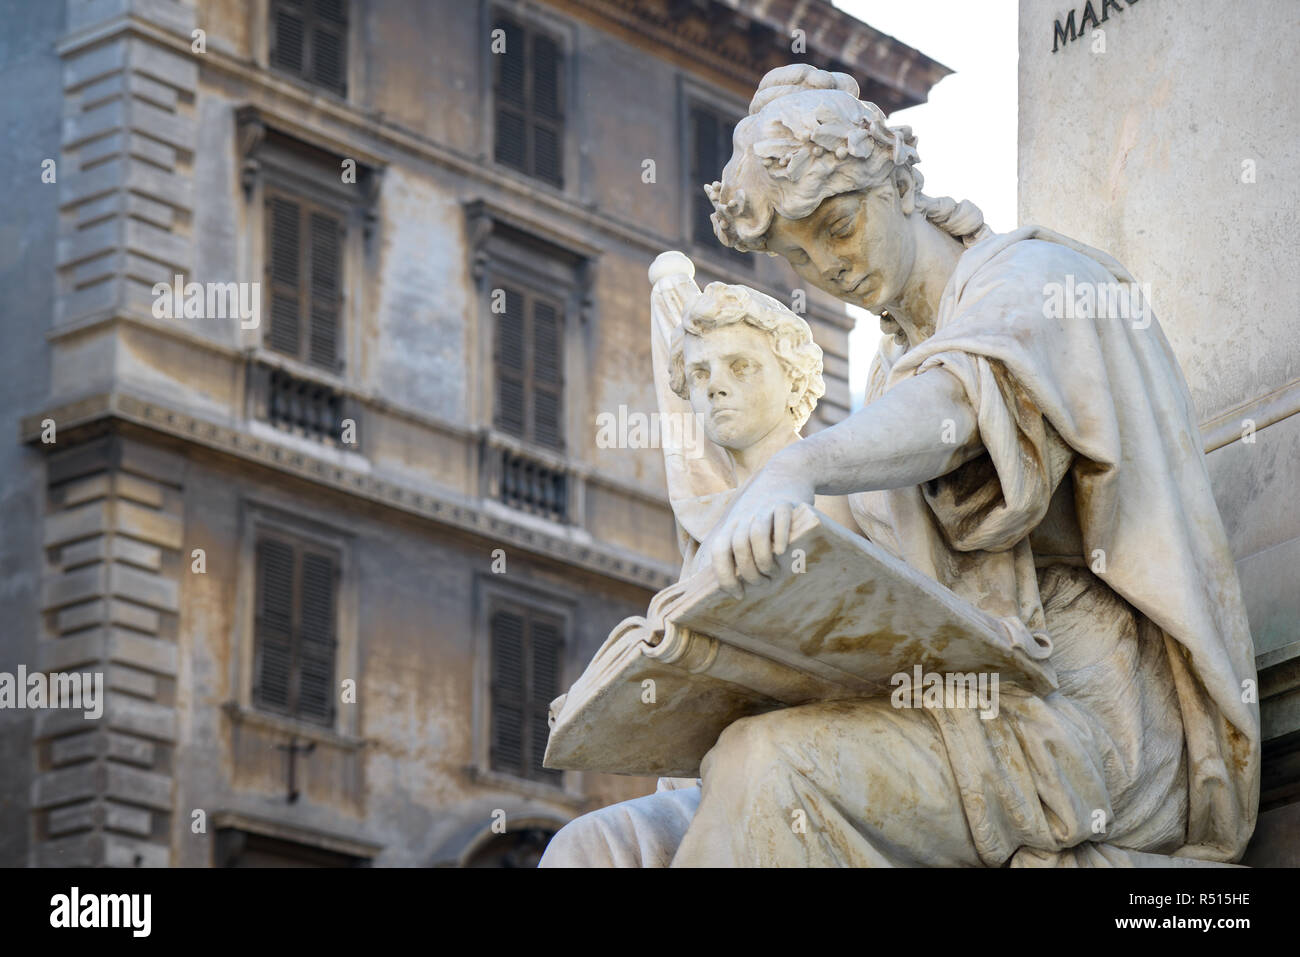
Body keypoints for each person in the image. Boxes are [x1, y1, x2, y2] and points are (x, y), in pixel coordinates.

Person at [541, 64, 1258, 867]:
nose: (829, 265)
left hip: (1082, 724)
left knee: (766, 764)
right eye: (799, 255)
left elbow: (960, 404)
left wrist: (802, 466)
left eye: (838, 224)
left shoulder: (1041, 282)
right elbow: (852, 573)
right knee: (602, 844)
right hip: (944, 716)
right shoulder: (890, 375)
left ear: (896, 179)